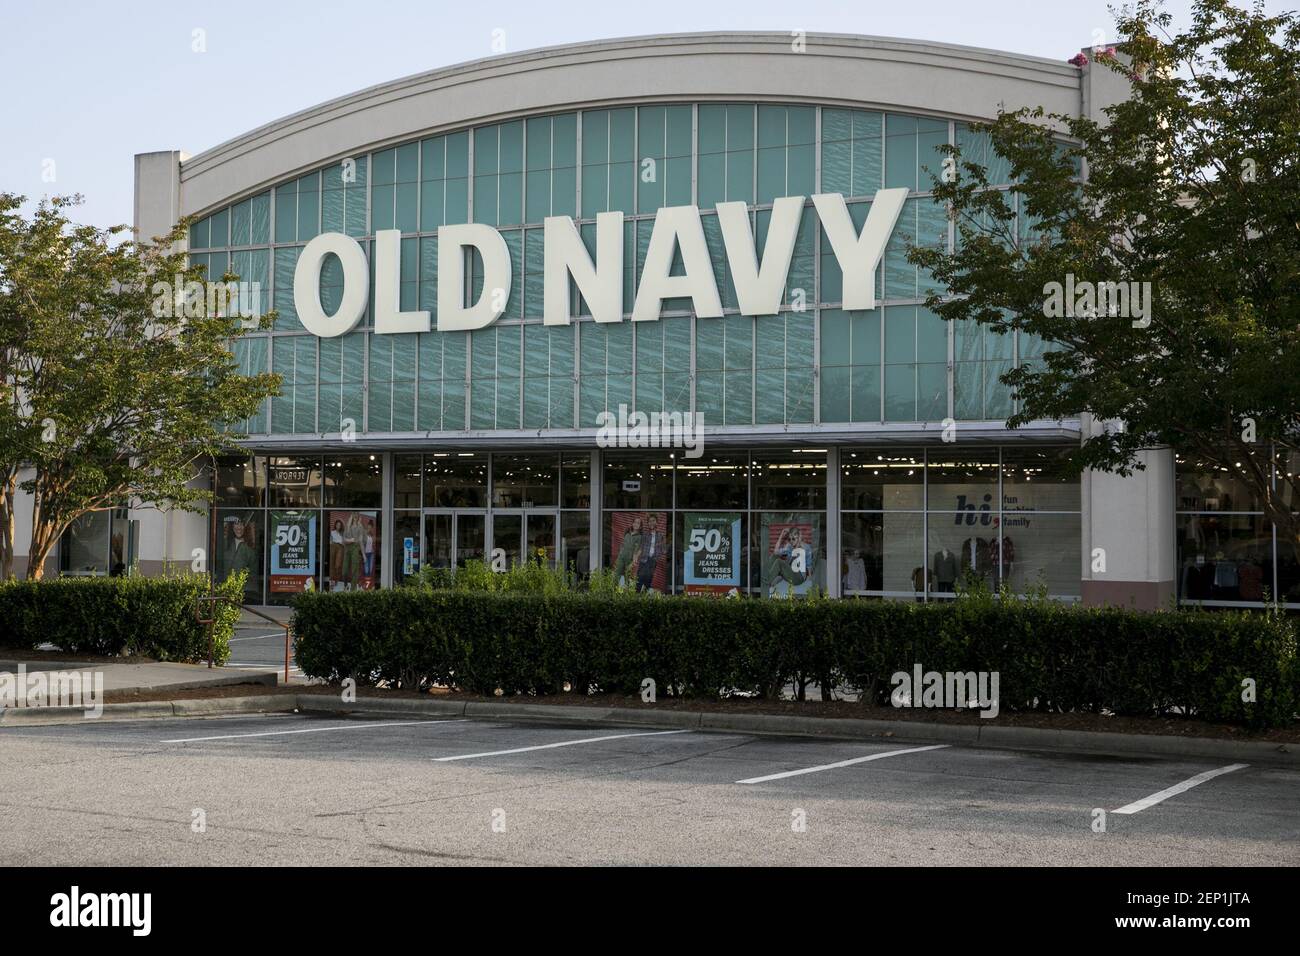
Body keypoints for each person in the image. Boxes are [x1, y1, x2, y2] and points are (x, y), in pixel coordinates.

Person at [612, 516, 643, 587]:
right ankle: (613, 591)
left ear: (640, 526)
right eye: (635, 522)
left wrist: (634, 560)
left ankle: (626, 593)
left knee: (627, 576)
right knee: (617, 574)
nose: (636, 524)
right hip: (621, 557)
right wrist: (620, 553)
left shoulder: (639, 537)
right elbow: (623, 544)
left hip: (629, 559)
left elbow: (637, 549)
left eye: (638, 523)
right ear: (632, 523)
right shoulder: (627, 533)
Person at [636, 514, 665, 592]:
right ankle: (635, 598)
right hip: (644, 560)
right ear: (648, 523)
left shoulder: (660, 535)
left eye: (653, 521)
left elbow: (663, 550)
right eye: (649, 521)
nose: (651, 523)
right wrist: (635, 558)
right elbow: (641, 548)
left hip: (652, 561)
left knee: (648, 581)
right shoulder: (645, 535)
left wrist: (658, 555)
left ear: (657, 523)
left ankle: (644, 599)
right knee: (639, 580)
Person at [342, 513, 365, 590]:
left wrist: (363, 555)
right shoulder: (347, 527)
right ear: (351, 518)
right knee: (344, 571)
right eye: (353, 517)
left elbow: (361, 541)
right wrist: (349, 540)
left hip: (355, 547)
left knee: (355, 570)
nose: (355, 518)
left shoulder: (360, 527)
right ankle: (345, 585)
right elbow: (343, 539)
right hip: (347, 548)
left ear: (358, 518)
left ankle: (353, 590)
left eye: (356, 517)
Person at [329, 519, 344, 587]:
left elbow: (344, 542)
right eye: (337, 525)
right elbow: (330, 541)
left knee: (337, 565)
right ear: (335, 525)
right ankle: (332, 581)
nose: (338, 526)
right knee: (332, 564)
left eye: (339, 525)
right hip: (333, 546)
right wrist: (331, 543)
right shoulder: (332, 532)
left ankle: (337, 580)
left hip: (340, 547)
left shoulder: (342, 533)